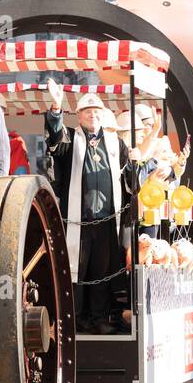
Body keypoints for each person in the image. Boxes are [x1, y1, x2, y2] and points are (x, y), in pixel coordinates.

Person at [44, 91, 134, 334]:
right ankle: (76, 319)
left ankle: (99, 319)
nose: (93, 115)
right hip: (78, 221)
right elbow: (54, 140)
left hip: (107, 220)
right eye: (87, 111)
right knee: (77, 269)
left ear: (104, 115)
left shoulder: (117, 144)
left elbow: (129, 178)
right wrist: (55, 108)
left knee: (102, 271)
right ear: (79, 116)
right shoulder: (71, 140)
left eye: (97, 111)